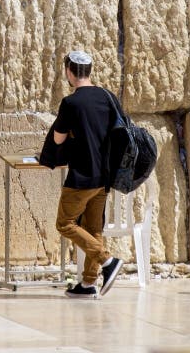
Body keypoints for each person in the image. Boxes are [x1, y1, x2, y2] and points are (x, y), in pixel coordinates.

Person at [49, 51, 123, 298]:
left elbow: (58, 137)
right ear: (89, 70)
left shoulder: (71, 103)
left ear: (69, 72)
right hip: (104, 176)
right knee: (93, 229)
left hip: (82, 176)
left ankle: (107, 261)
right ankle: (88, 283)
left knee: (65, 223)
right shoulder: (107, 97)